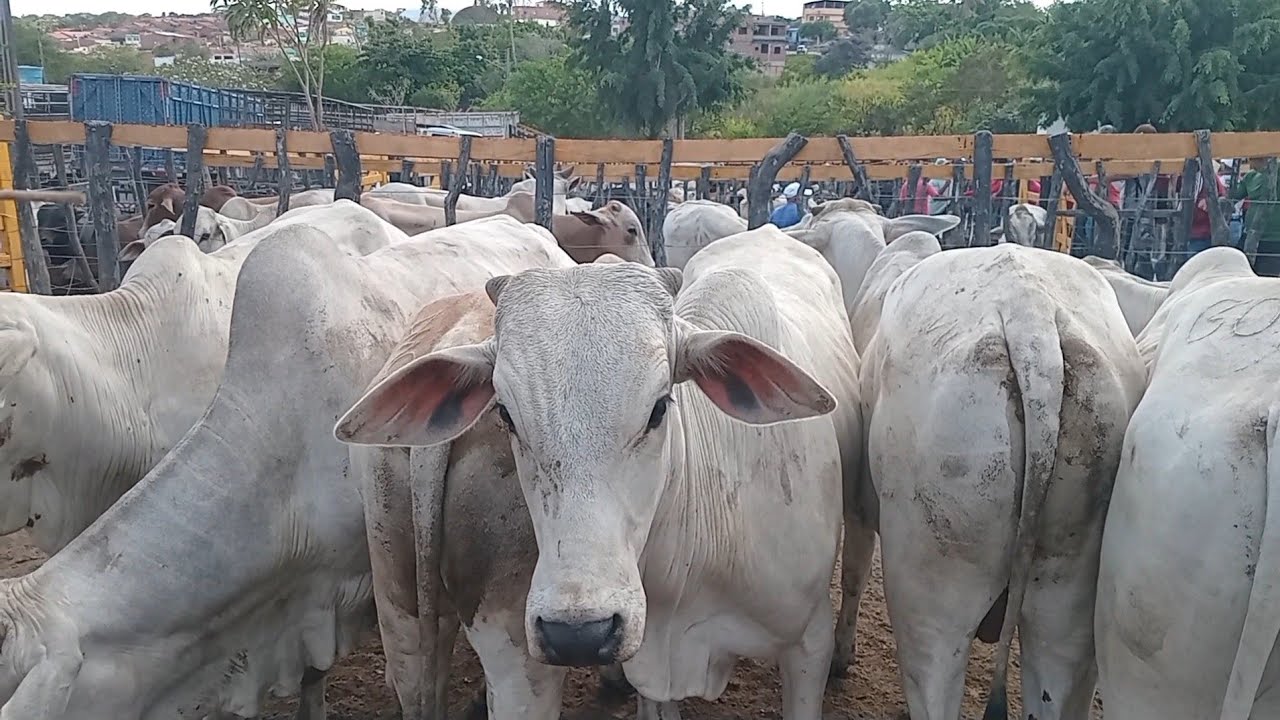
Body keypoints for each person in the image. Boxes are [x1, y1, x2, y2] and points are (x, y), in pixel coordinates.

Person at [1232, 158, 1280, 274]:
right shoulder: (1250, 176)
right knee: (1240, 272)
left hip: (1274, 239)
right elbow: (1234, 196)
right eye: (1250, 160)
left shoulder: (1277, 171)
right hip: (1249, 237)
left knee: (1266, 278)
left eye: (1254, 160)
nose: (1251, 164)